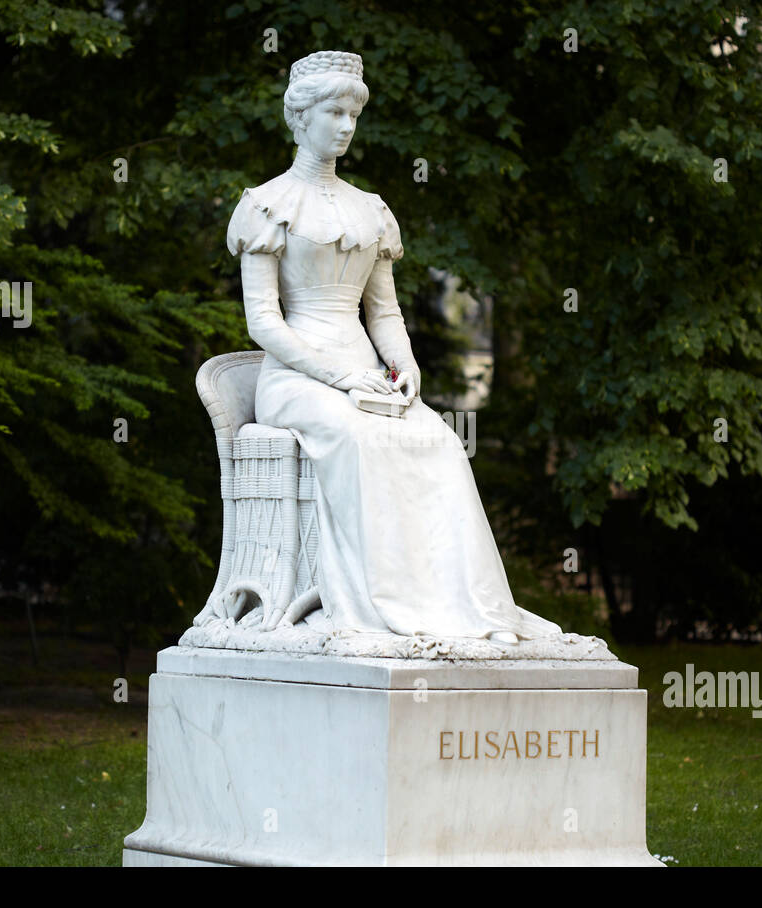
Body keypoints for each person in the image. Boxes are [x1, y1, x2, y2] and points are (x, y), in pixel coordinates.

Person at [227, 50, 560, 645]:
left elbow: (383, 311)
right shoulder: (266, 205)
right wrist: (339, 377)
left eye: (353, 115)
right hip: (296, 382)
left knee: (441, 442)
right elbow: (263, 323)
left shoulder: (371, 209)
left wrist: (404, 365)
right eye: (334, 113)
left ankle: (468, 610)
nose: (346, 126)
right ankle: (391, 607)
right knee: (361, 440)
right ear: (300, 117)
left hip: (368, 377)